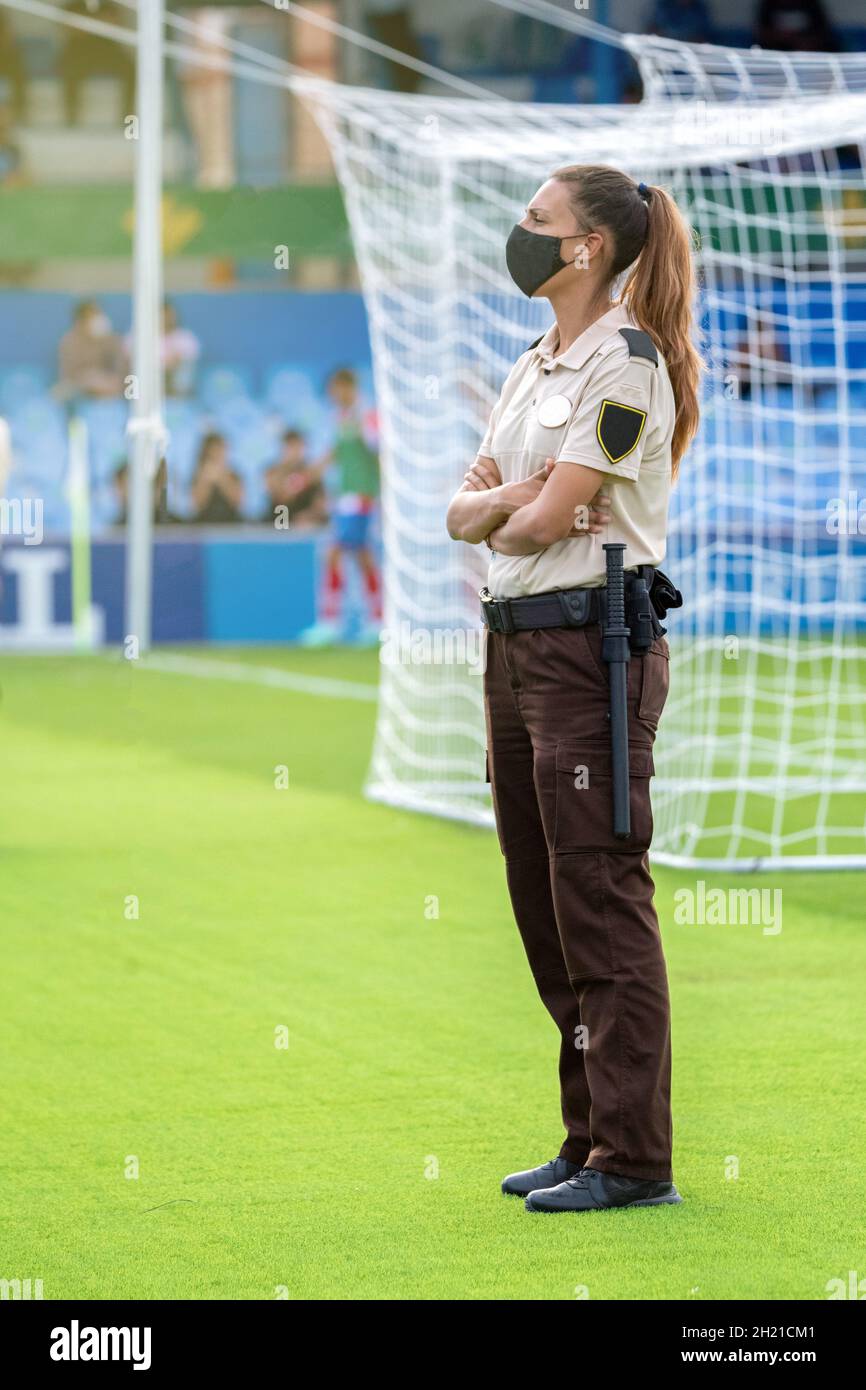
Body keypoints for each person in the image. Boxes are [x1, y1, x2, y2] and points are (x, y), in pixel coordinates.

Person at [446, 165, 701, 1214]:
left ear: (586, 247)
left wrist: (507, 506)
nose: (521, 234)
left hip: (587, 646)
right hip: (513, 645)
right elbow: (467, 510)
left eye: (536, 221)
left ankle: (633, 1160)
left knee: (596, 892)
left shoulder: (626, 363)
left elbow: (544, 521)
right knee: (542, 898)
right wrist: (514, 503)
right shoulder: (530, 363)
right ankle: (587, 1134)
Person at [300, 368, 382, 646]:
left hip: (362, 498)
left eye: (338, 388)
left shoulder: (367, 416)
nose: (334, 394)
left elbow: (380, 453)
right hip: (345, 499)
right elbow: (333, 455)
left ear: (349, 387)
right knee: (362, 557)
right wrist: (304, 478)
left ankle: (331, 622)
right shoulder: (340, 419)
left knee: (335, 551)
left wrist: (382, 493)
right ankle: (375, 621)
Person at [56, 300, 127, 403]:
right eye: (93, 316)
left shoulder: (111, 340)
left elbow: (120, 371)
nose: (98, 319)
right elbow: (68, 378)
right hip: (78, 392)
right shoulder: (69, 342)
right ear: (81, 321)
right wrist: (89, 379)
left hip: (109, 389)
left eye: (99, 314)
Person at [261, 430, 328, 530]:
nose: (295, 452)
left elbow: (321, 504)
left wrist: (309, 516)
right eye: (291, 447)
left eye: (298, 447)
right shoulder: (273, 472)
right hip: (277, 525)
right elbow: (281, 497)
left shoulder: (312, 473)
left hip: (306, 527)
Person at [189, 432, 243, 523]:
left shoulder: (233, 474)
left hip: (231, 523)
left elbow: (238, 502)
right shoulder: (199, 475)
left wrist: (222, 479)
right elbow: (197, 504)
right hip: (205, 523)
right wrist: (205, 480)